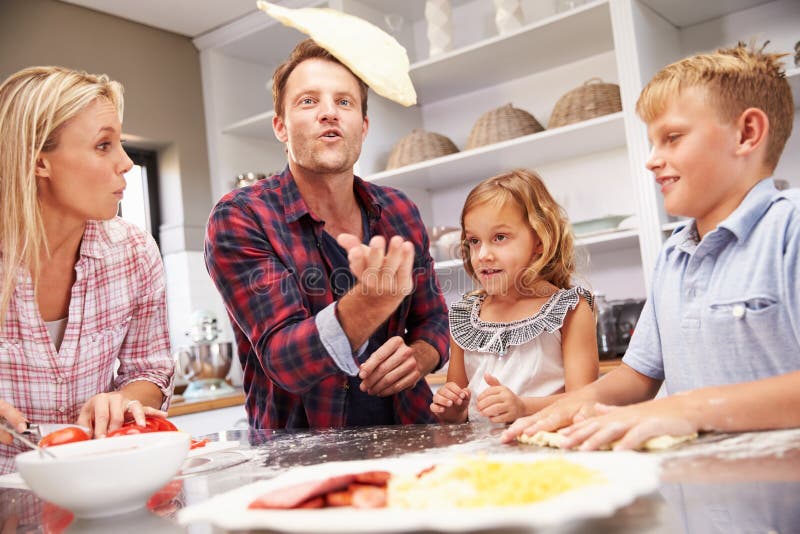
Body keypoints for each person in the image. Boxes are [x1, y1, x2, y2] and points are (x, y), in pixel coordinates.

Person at [502, 43, 800, 449]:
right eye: (653, 142)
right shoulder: (673, 255)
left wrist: (686, 409)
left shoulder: (790, 228)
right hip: (701, 490)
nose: (652, 160)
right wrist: (571, 406)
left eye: (672, 138)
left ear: (747, 133)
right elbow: (638, 377)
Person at [204, 39, 449, 429]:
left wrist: (420, 356)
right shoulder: (241, 217)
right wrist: (371, 301)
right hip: (301, 459)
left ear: (364, 127)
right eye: (308, 101)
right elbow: (284, 360)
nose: (329, 114)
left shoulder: (400, 210)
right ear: (280, 127)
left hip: (410, 437)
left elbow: (433, 318)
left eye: (344, 102)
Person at [0, 66, 174, 474]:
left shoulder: (134, 252)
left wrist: (125, 398)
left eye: (121, 144)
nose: (126, 163)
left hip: (96, 488)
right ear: (40, 162)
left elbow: (150, 370)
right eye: (103, 146)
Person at [430, 169, 599, 424]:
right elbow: (459, 412)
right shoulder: (465, 315)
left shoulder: (571, 308)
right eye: (474, 241)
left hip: (548, 453)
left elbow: (585, 401)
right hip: (483, 458)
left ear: (540, 240)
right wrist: (451, 408)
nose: (483, 254)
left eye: (499, 238)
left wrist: (523, 407)